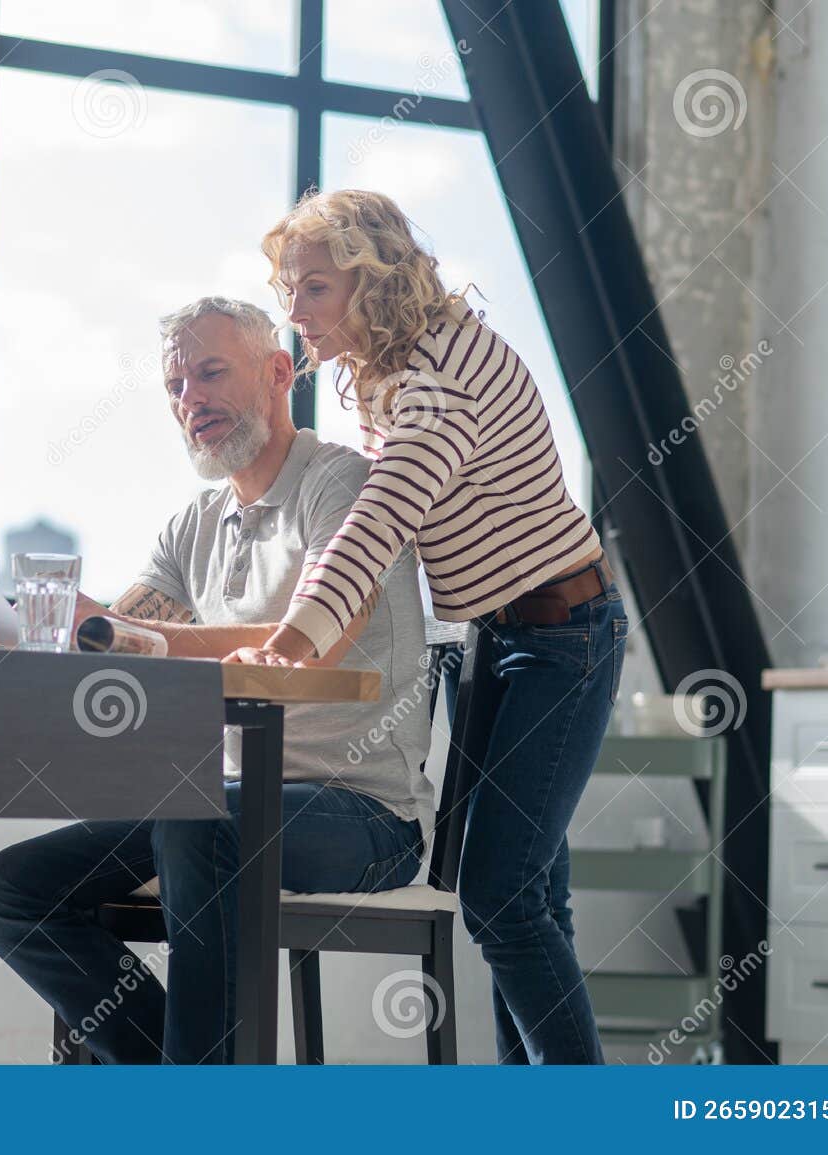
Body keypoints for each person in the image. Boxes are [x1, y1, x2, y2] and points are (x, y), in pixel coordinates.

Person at [0, 296, 435, 1064]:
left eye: (211, 372)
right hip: (222, 811)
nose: (192, 400)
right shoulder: (195, 525)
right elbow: (116, 636)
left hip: (363, 818)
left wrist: (114, 630)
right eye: (177, 386)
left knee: (194, 822)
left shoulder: (340, 488)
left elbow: (302, 643)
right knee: (10, 891)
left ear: (279, 372)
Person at [225, 190, 627, 1065]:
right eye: (289, 290)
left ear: (373, 281)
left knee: (500, 897)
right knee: (529, 901)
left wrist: (291, 644)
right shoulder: (386, 369)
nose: (294, 313)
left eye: (316, 289)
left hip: (567, 636)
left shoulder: (438, 381)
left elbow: (379, 521)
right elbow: (379, 529)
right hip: (502, 639)